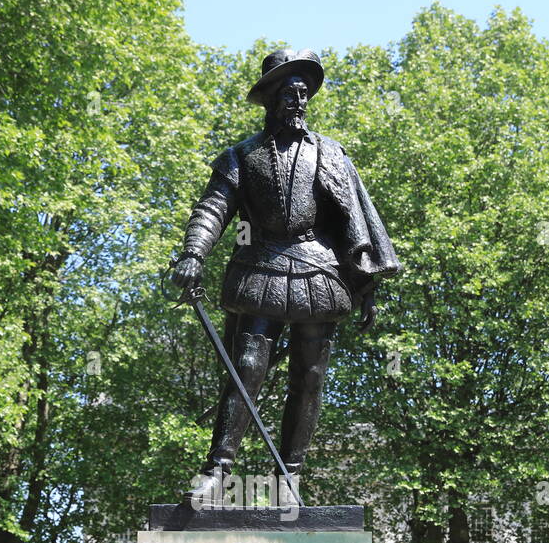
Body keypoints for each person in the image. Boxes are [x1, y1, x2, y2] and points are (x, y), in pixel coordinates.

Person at [171, 48, 400, 502]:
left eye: (304, 94)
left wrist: (367, 283)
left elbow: (355, 219)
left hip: (320, 273)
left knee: (309, 377)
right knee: (247, 369)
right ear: (273, 98)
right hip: (261, 269)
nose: (300, 102)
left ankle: (288, 478)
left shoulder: (332, 154)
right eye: (291, 94)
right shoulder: (241, 156)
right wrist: (193, 253)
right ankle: (218, 468)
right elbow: (213, 209)